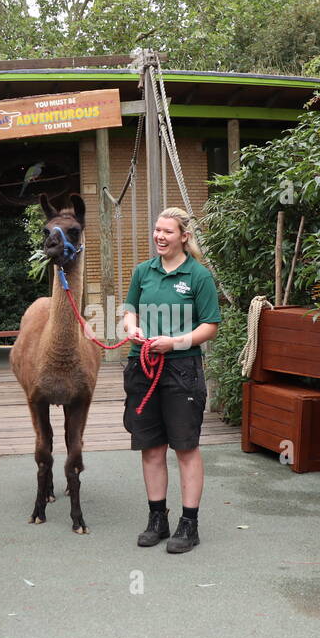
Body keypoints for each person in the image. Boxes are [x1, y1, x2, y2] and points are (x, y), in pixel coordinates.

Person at [122, 207, 221, 554]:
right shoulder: (142, 272)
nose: (160, 236)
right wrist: (132, 327)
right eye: (157, 230)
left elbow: (209, 326)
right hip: (143, 367)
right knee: (151, 447)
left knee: (185, 447)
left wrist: (174, 343)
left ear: (184, 236)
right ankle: (157, 519)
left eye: (167, 231)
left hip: (182, 371)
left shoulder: (198, 277)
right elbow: (130, 309)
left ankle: (189, 524)